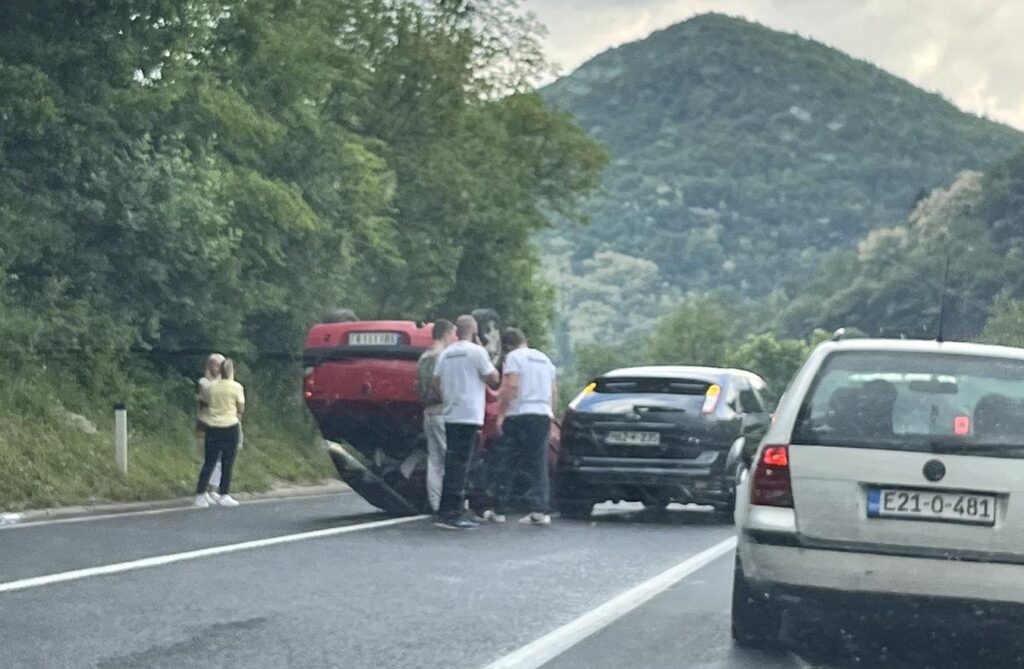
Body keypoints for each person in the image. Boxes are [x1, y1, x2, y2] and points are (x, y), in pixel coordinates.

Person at [431, 314, 500, 529]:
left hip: (451, 412)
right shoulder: (476, 352)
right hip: (470, 414)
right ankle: (454, 513)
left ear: (457, 331)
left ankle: (446, 509)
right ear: (474, 330)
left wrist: (449, 396)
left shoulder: (446, 353)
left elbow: (435, 383)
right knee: (463, 464)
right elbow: (494, 378)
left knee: (452, 462)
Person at [492, 327, 557, 526]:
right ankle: (539, 509)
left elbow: (511, 385)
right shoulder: (545, 359)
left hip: (519, 413)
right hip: (542, 413)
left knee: (506, 461)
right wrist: (551, 415)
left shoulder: (513, 357)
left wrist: (501, 413)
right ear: (524, 340)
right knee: (538, 463)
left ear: (507, 346)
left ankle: (499, 509)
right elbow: (553, 390)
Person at [416, 319, 457, 513]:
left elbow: (419, 385)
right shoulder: (444, 356)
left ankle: (435, 502)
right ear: (446, 334)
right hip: (442, 410)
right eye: (453, 334)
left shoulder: (423, 357)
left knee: (434, 459)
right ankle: (451, 501)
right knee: (450, 456)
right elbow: (441, 384)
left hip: (428, 411)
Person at [194, 358, 245, 508]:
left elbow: (205, 402)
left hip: (212, 425)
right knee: (228, 462)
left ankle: (200, 494)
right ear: (232, 371)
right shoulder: (236, 387)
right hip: (230, 425)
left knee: (209, 461)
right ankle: (224, 494)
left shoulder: (211, 387)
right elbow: (241, 407)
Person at [196, 353, 225, 501]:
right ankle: (203, 488)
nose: (218, 368)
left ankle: (214, 488)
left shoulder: (226, 383)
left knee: (220, 458)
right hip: (206, 424)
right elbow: (210, 393)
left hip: (222, 423)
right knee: (207, 457)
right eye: (215, 365)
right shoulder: (204, 382)